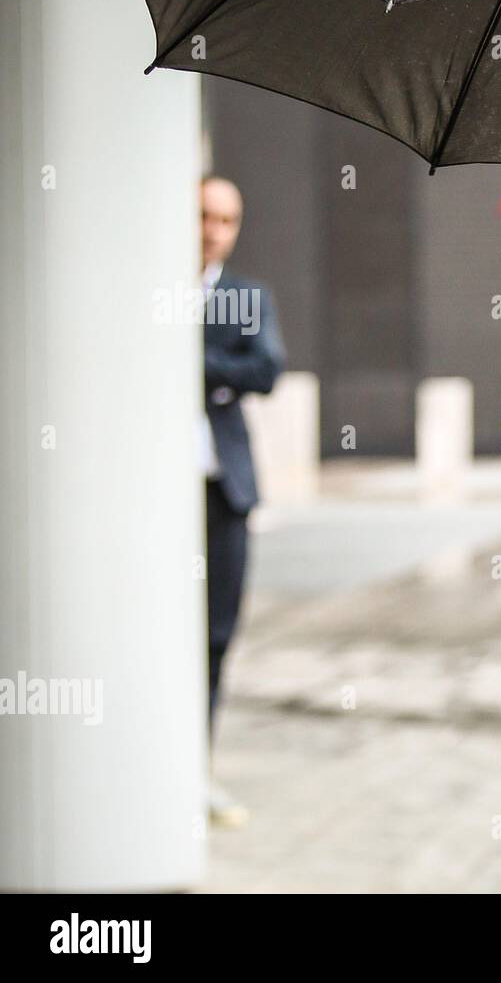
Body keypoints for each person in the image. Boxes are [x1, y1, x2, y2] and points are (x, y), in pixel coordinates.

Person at [198, 175, 286, 827]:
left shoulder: (244, 296)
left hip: (222, 490)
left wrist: (194, 358)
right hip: (157, 499)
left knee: (216, 633)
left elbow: (267, 368)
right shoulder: (152, 289)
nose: (213, 231)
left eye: (226, 220)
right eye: (203, 216)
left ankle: (197, 767)